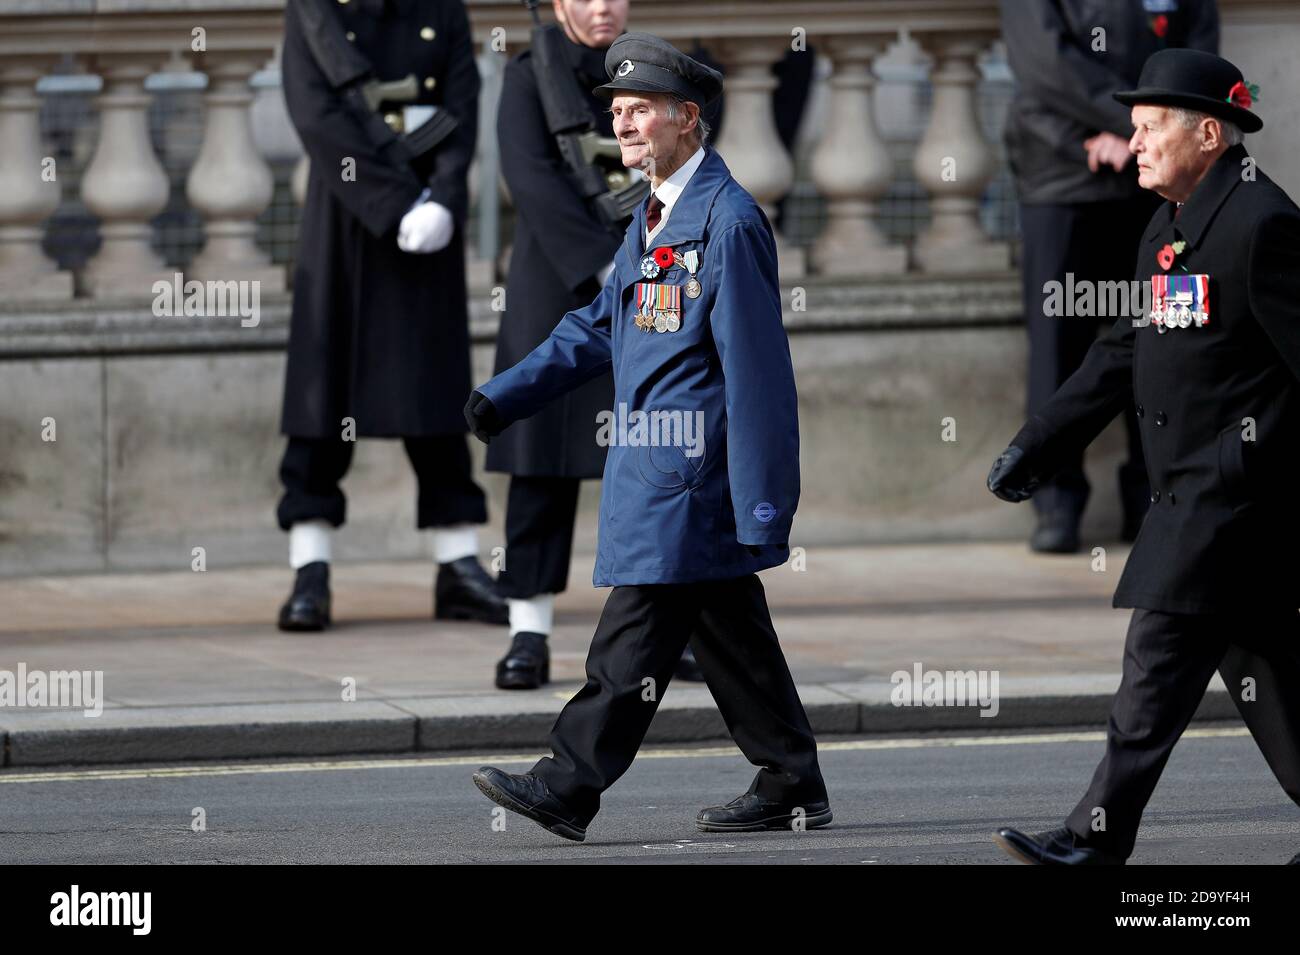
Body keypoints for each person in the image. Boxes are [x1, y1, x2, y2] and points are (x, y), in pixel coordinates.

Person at [463, 32, 830, 841]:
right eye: (618, 112)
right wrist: (504, 394)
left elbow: (760, 378)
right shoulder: (657, 215)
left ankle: (567, 784)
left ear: (688, 120)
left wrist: (765, 506)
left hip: (689, 481)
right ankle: (792, 780)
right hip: (656, 470)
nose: (623, 126)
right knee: (735, 639)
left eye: (640, 112)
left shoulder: (727, 224)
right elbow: (600, 324)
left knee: (629, 647)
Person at [988, 49, 1300, 865]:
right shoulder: (1170, 223)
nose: (1136, 144)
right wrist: (1038, 441)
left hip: (1230, 503)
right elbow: (1122, 351)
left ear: (1208, 132)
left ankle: (1094, 840)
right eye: (1132, 129)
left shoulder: (1262, 224)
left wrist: (1258, 465)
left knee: (1153, 672)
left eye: (1151, 127)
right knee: (1279, 690)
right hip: (1199, 503)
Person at [489, 0, 705, 688]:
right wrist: (607, 267)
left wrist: (652, 256)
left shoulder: (656, 72)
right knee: (542, 469)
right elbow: (532, 181)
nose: (602, 6)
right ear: (555, 5)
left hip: (657, 275)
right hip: (558, 280)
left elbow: (688, 165)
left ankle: (671, 628)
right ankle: (529, 631)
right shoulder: (528, 77)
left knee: (663, 460)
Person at [275, 0, 507, 631]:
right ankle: (311, 566)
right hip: (348, 218)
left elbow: (461, 109)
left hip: (427, 218)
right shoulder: (316, 12)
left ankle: (458, 564)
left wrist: (445, 201)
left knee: (432, 391)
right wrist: (395, 203)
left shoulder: (441, 9)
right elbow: (318, 118)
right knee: (326, 398)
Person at [1000, 0, 1219, 552]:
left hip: (1156, 176)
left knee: (1164, 339)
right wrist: (1133, 123)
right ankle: (1054, 500)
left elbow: (1196, 53)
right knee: (1058, 344)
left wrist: (1146, 134)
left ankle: (1153, 497)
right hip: (1061, 171)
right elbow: (1043, 59)